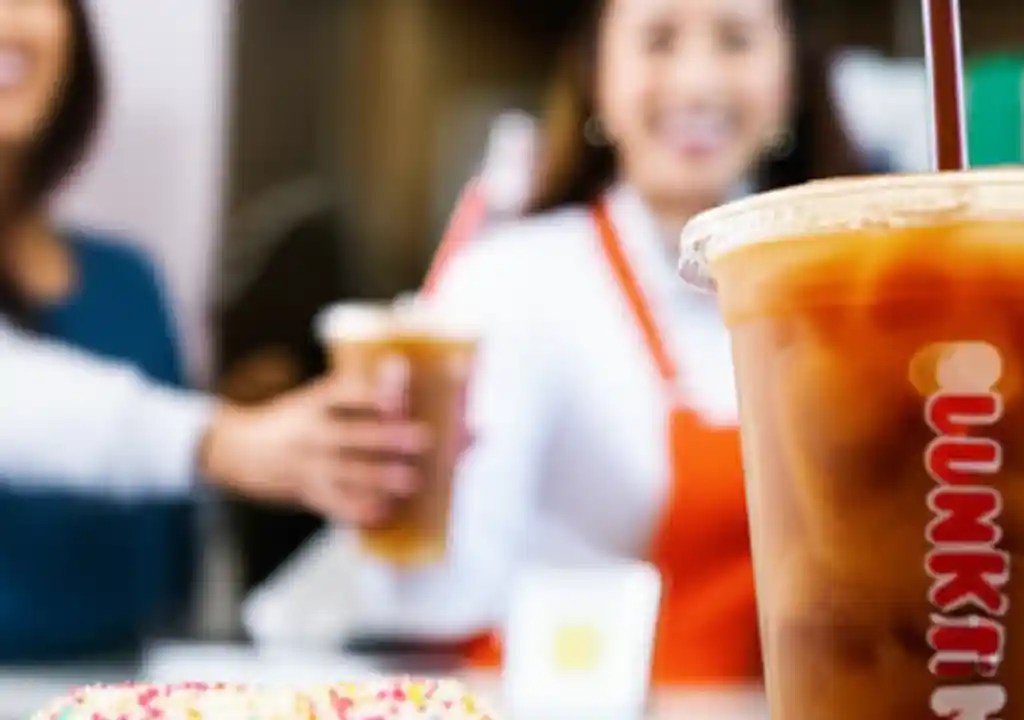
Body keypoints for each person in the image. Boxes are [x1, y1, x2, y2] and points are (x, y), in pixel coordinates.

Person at [366, 0, 861, 683]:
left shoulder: (850, 286)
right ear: (597, 75)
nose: (697, 82)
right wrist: (391, 489)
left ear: (792, 78)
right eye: (658, 40)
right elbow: (433, 599)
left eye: (735, 40)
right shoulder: (513, 283)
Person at [0, 0, 424, 660]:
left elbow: (178, 543)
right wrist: (220, 440)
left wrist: (248, 425)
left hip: (131, 686)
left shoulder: (128, 282)